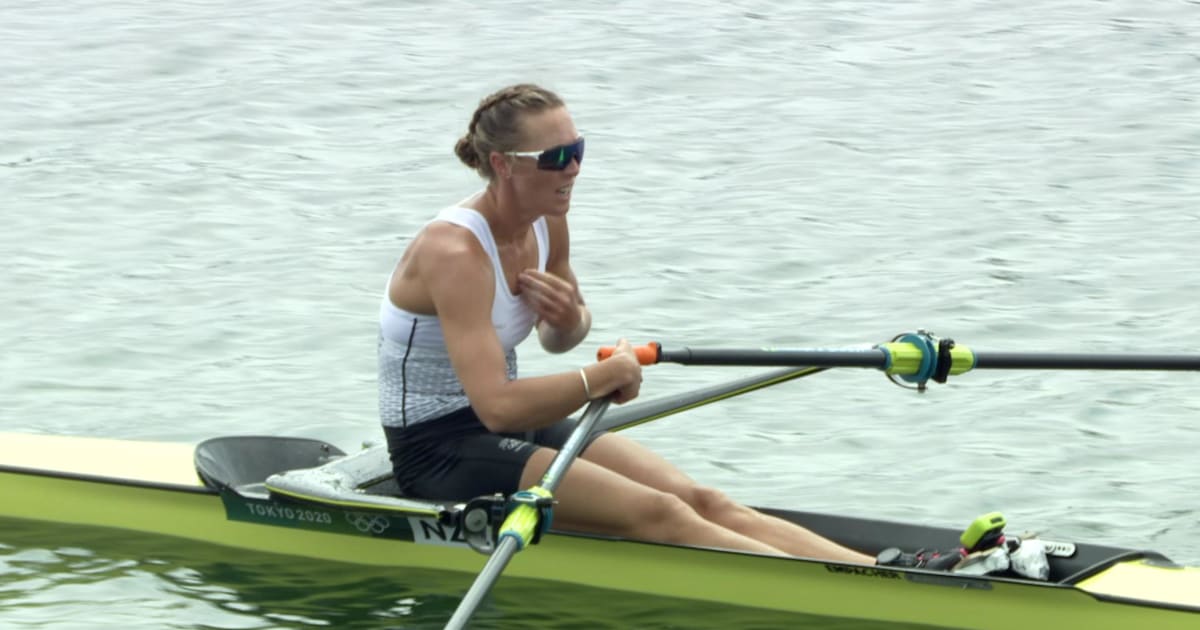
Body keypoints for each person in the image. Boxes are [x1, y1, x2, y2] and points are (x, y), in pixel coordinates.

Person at [377, 83, 872, 564]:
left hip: (509, 425)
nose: (572, 168)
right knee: (662, 512)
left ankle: (878, 572)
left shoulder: (547, 218)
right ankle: (856, 599)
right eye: (554, 157)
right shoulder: (455, 254)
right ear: (504, 165)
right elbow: (498, 409)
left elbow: (560, 337)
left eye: (577, 149)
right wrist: (599, 379)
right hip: (438, 448)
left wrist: (571, 319)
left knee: (704, 499)